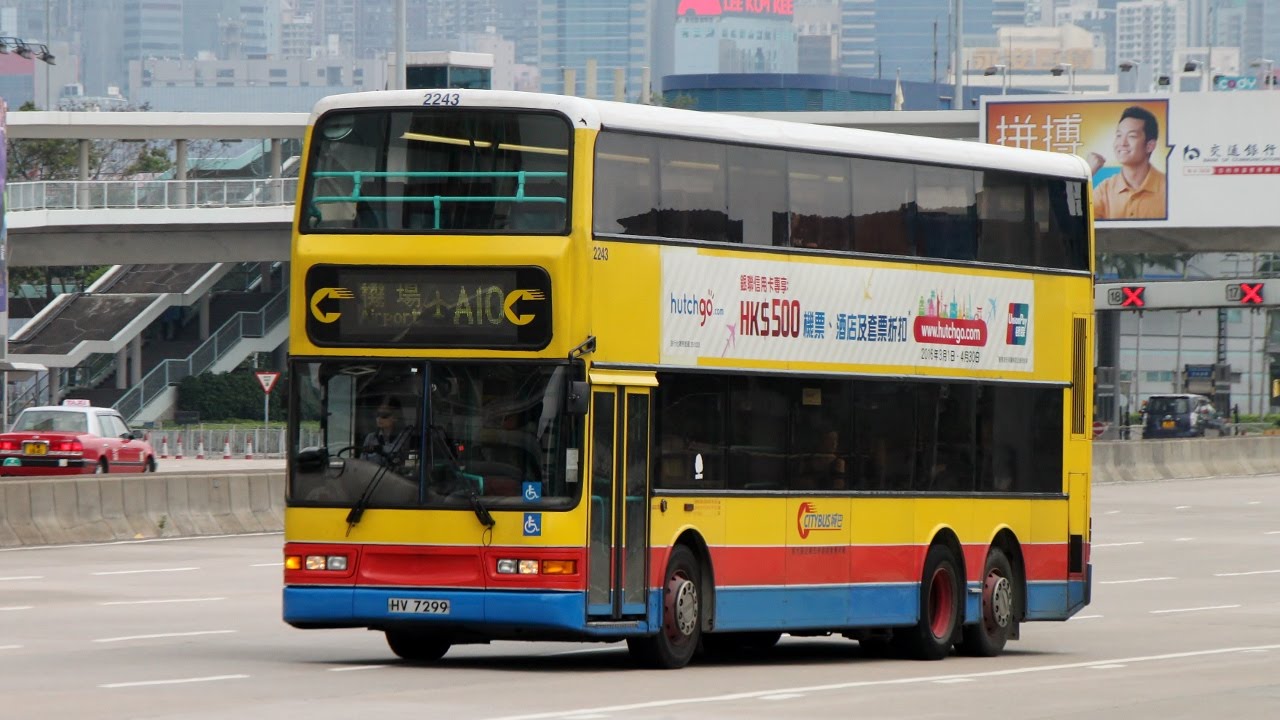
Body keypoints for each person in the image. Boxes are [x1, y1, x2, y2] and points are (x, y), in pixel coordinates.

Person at [1087, 106, 1167, 220]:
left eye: (1132, 136)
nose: (1122, 143)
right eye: (1119, 135)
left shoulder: (1168, 188)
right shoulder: (1105, 189)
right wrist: (1087, 174)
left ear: (1150, 146)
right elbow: (1075, 222)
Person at [362, 396, 416, 467]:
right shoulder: (370, 438)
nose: (379, 418)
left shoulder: (406, 436)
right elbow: (362, 463)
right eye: (377, 414)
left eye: (384, 415)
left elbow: (412, 462)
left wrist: (380, 449)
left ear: (395, 417)